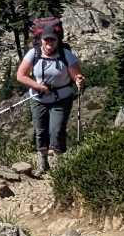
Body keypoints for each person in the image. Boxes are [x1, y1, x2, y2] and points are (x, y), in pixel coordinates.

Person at [16, 16, 84, 173]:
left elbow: (76, 75)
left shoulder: (66, 55)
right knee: (40, 131)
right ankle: (43, 163)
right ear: (41, 40)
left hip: (61, 98)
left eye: (52, 40)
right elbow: (21, 75)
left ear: (57, 40)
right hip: (38, 98)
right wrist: (37, 86)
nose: (49, 43)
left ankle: (60, 165)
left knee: (57, 129)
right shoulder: (33, 53)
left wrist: (79, 80)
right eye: (46, 40)